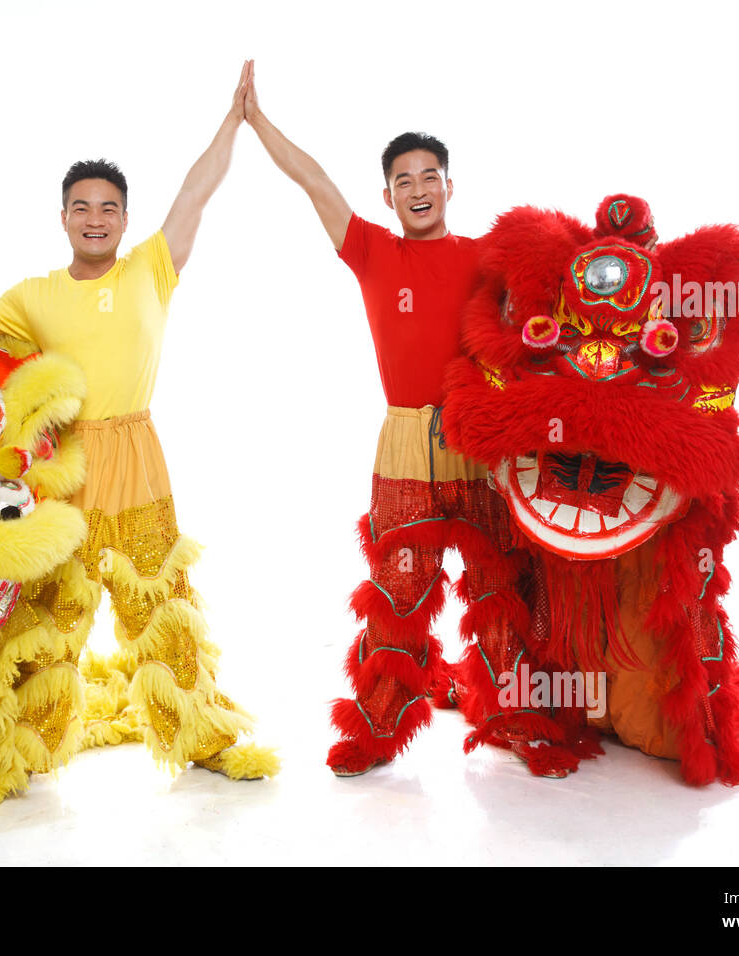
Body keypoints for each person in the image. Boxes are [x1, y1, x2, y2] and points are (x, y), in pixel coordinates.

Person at [0, 61, 276, 781]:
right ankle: (22, 749)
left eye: (108, 207)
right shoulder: (31, 296)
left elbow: (197, 190)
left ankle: (200, 736)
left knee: (161, 604)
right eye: (81, 207)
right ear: (62, 217)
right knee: (52, 615)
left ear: (124, 218)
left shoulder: (150, 268)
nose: (95, 218)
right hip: (68, 467)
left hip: (139, 453)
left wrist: (234, 121)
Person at [242, 64, 499, 776]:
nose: (418, 190)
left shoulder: (485, 258)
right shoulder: (372, 250)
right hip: (405, 445)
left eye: (429, 177)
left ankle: (523, 718)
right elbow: (314, 181)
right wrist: (258, 122)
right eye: (403, 181)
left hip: (477, 440)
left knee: (502, 587)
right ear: (388, 196)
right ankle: (378, 729)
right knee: (398, 592)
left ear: (450, 185)